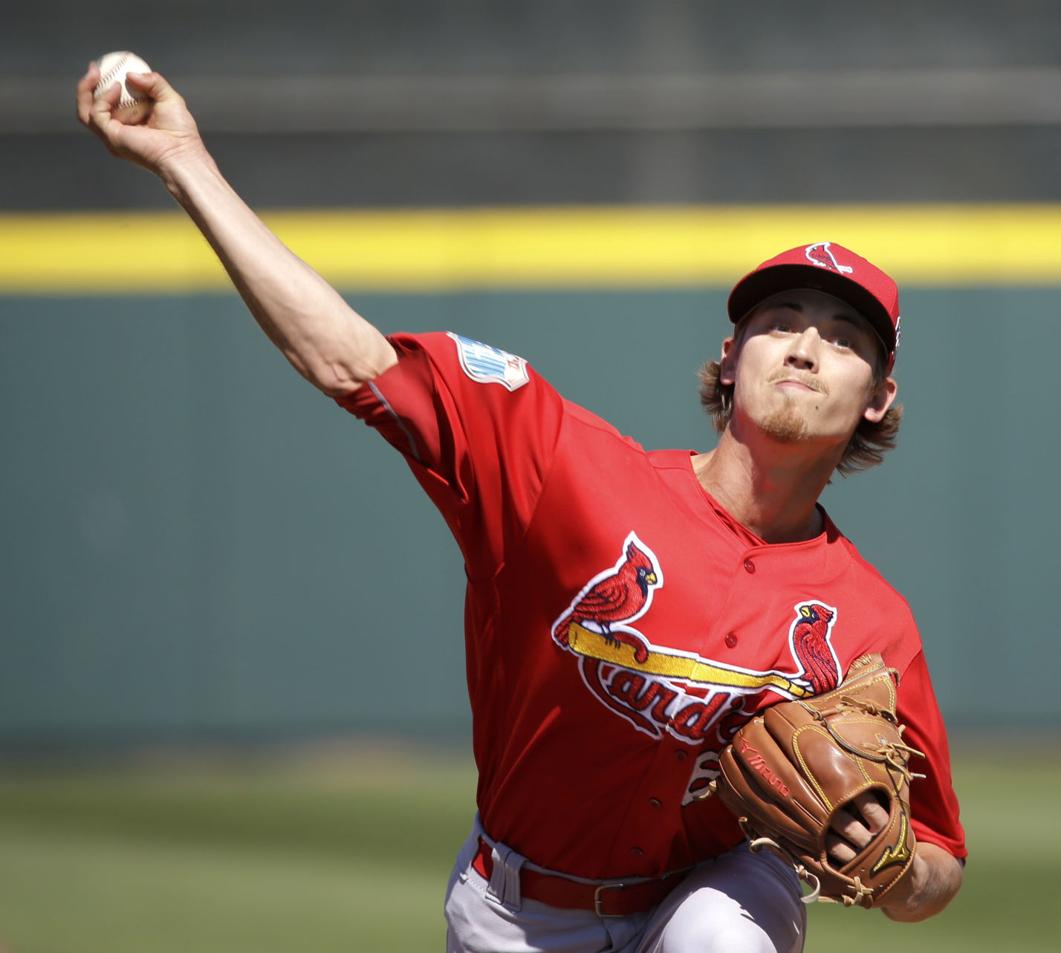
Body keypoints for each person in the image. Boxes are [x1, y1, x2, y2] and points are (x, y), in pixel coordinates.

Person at [77, 63, 966, 952]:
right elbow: (352, 361)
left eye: (846, 339)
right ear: (730, 357)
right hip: (519, 914)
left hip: (709, 891)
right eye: (782, 320)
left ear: (879, 397)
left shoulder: (871, 623)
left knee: (719, 934)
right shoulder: (564, 471)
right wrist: (184, 160)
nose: (808, 346)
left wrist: (896, 869)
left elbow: (937, 862)